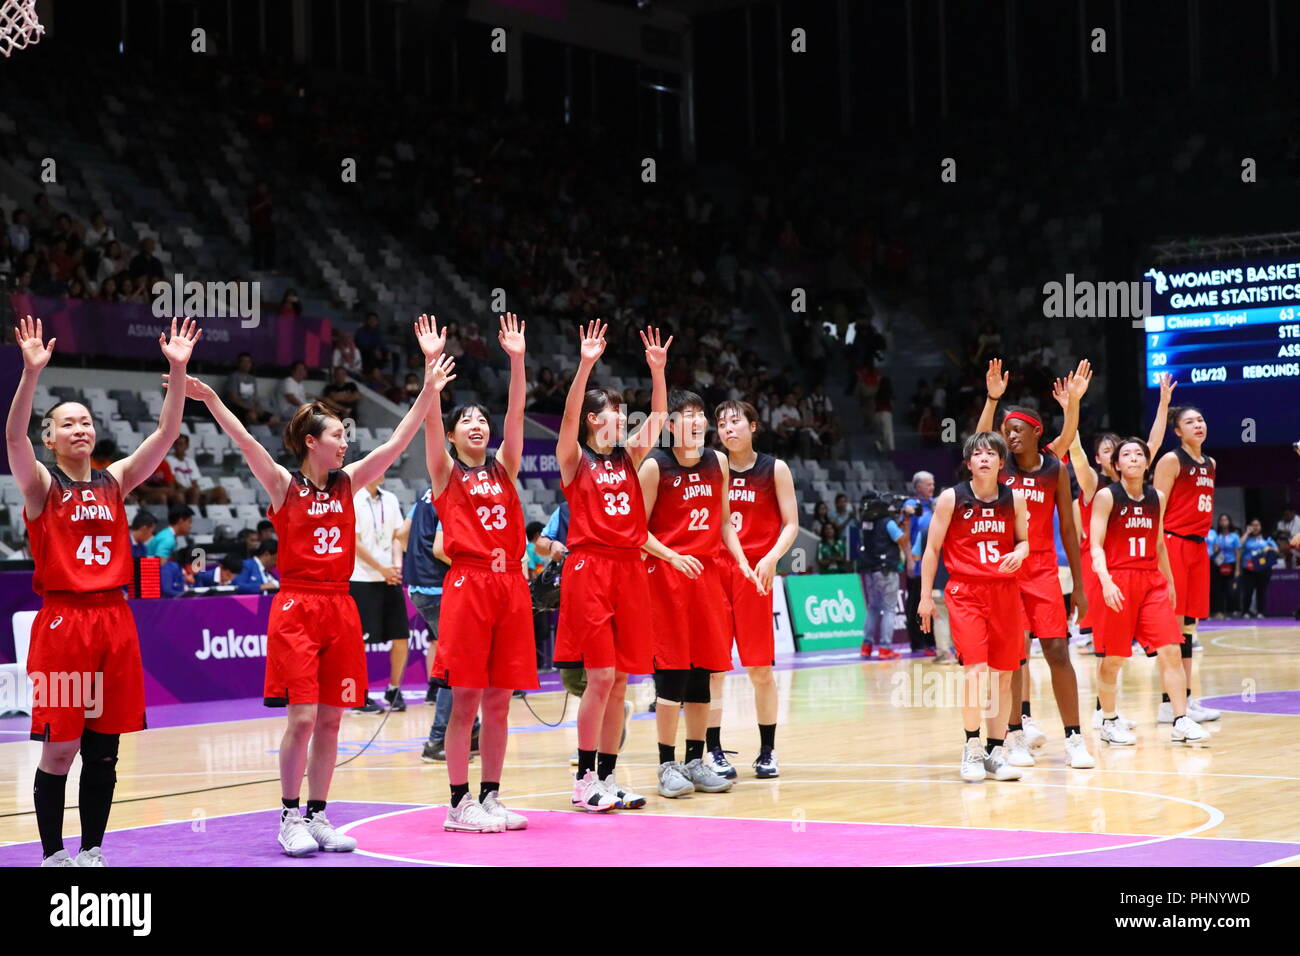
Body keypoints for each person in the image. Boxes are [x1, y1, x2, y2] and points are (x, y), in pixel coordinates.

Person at [168, 314, 445, 857]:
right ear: (312, 442)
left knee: (333, 718)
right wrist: (203, 395)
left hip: (340, 608)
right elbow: (244, 438)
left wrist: (430, 372)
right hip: (296, 606)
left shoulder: (350, 483)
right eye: (339, 436)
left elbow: (399, 439)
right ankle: (288, 815)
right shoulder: (281, 483)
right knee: (302, 717)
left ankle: (318, 815)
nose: (347, 443)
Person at [8, 315, 201, 867]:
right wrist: (30, 374)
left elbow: (165, 434)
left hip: (114, 620)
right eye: (67, 423)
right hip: (66, 622)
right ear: (51, 437)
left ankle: (92, 851)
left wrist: (178, 369)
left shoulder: (114, 479)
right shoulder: (43, 485)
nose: (79, 429)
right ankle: (52, 854)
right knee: (61, 747)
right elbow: (14, 438)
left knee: (104, 751)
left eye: (86, 421)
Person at [423, 312, 538, 833]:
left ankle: (490, 796)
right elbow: (428, 424)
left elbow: (516, 414)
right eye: (466, 420)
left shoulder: (504, 468)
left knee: (499, 700)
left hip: (511, 584)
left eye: (481, 421)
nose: (478, 425)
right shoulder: (446, 474)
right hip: (469, 583)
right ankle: (457, 803)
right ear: (452, 435)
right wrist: (430, 370)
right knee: (465, 698)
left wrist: (516, 360)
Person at [552, 320, 669, 813]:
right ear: (594, 420)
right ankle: (582, 780)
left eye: (623, 413)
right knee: (600, 676)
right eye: (613, 414)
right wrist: (584, 365)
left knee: (622, 680)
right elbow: (568, 415)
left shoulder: (629, 457)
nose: (622, 419)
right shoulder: (573, 458)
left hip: (628, 570)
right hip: (589, 569)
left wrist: (657, 371)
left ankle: (607, 775)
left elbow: (661, 415)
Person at [976, 358, 1095, 769]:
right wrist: (993, 399)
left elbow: (1068, 532)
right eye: (1005, 430)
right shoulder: (999, 470)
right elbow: (979, 441)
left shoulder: (1053, 468)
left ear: (1035, 434)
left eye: (1016, 430)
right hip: (1005, 571)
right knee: (1012, 656)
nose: (1008, 435)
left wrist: (1078, 586)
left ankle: (1076, 738)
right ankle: (1013, 736)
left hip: (1044, 570)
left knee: (1058, 650)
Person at [639, 389, 753, 798]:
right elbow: (637, 530)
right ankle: (666, 764)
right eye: (687, 415)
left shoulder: (717, 462)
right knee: (673, 673)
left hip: (708, 576)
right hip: (666, 577)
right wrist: (672, 555)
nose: (698, 421)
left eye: (700, 414)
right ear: (671, 426)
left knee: (704, 671)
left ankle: (694, 759)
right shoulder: (655, 466)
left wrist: (740, 560)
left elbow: (724, 523)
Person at [918, 431, 1029, 782]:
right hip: (966, 591)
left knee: (1003, 673)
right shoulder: (952, 498)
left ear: (1000, 461)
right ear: (968, 464)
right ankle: (972, 747)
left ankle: (996, 751)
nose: (983, 458)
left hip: (1005, 592)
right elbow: (932, 550)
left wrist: (1020, 552)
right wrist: (924, 597)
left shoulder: (1015, 499)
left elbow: (1025, 541)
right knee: (976, 671)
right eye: (976, 454)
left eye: (990, 453)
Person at [1068, 371, 1174, 730]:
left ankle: (1116, 711)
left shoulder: (1144, 490)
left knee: (1141, 648)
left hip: (1138, 572)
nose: (1124, 455)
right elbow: (1075, 449)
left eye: (1129, 450)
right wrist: (1073, 405)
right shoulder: (1094, 485)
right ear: (1105, 460)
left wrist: (1163, 405)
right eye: (1113, 451)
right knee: (1108, 650)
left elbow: (1153, 443)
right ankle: (1105, 712)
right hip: (1103, 569)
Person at [1090, 438, 1209, 745]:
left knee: (1170, 648)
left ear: (1147, 463)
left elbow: (1158, 543)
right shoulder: (1106, 496)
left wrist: (1169, 581)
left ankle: (1180, 719)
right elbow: (1095, 546)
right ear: (1116, 465)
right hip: (1118, 580)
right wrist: (1105, 580)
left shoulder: (1156, 497)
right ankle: (1109, 719)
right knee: (1113, 658)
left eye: (1139, 454)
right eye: (1126, 454)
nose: (1133, 458)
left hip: (1150, 580)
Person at [707, 400, 799, 778]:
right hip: (716, 572)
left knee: (759, 669)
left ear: (753, 426)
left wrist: (772, 557)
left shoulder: (774, 469)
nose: (729, 429)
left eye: (735, 422)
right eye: (722, 424)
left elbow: (791, 524)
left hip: (756, 574)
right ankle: (711, 751)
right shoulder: (711, 467)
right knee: (713, 670)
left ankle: (767, 751)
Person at [397, 486, 479, 762]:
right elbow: (441, 548)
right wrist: (478, 564)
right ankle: (437, 739)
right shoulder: (451, 494)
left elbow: (401, 534)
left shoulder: (424, 494)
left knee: (463, 662)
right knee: (454, 667)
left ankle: (473, 731)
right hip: (440, 590)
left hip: (418, 588)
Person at [1152, 406, 1222, 724]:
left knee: (1190, 626)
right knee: (1173, 626)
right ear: (1177, 431)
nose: (1198, 424)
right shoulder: (1171, 460)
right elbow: (1156, 507)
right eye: (1190, 422)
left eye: (1201, 419)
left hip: (1198, 546)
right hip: (1173, 543)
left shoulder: (1210, 463)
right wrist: (1158, 551)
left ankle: (1188, 698)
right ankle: (1169, 702)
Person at [349, 473, 408, 714]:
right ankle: (357, 696)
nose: (385, 470)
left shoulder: (391, 499)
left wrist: (396, 565)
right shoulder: (352, 499)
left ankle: (394, 689)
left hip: (389, 578)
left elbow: (398, 536)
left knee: (401, 636)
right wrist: (382, 568)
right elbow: (354, 541)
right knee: (358, 643)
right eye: (379, 466)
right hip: (362, 578)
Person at [854, 494, 908, 661]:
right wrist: (906, 524)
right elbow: (902, 540)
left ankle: (866, 646)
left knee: (873, 608)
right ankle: (885, 648)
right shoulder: (887, 522)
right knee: (890, 609)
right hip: (886, 570)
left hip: (870, 570)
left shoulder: (866, 522)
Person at [903, 471, 936, 654]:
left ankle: (933, 642)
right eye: (928, 484)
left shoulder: (933, 505)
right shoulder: (910, 506)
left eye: (933, 484)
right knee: (916, 604)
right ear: (917, 487)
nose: (932, 487)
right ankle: (918, 643)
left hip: (934, 565)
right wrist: (908, 559)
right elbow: (905, 535)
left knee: (933, 604)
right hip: (916, 565)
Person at [1238, 519, 1278, 618]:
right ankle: (1245, 612)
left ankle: (1260, 612)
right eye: (1253, 525)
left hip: (1263, 569)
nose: (1255, 527)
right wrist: (1247, 532)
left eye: (1257, 525)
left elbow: (1276, 550)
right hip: (1248, 568)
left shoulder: (1266, 538)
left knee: (1262, 590)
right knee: (1248, 591)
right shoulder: (1247, 538)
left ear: (1261, 527)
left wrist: (1269, 548)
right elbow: (1239, 544)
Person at [1207, 514, 1241, 619]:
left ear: (1229, 522)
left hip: (1231, 564)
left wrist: (1237, 569)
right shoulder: (1216, 535)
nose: (1223, 522)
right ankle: (1219, 611)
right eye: (1221, 520)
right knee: (1218, 590)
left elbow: (1238, 553)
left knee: (1230, 590)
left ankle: (1232, 611)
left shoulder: (1234, 536)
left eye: (1225, 519)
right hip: (1218, 565)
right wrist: (1215, 549)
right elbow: (1214, 550)